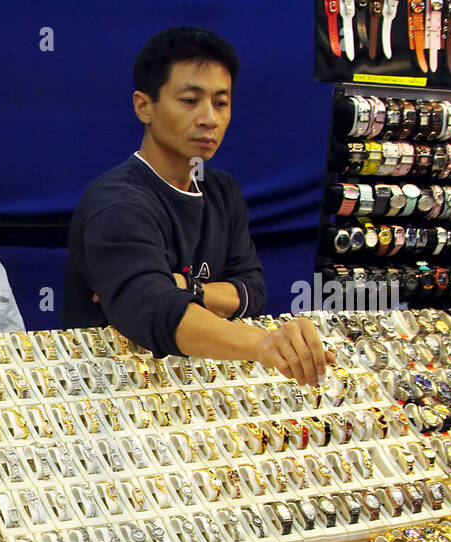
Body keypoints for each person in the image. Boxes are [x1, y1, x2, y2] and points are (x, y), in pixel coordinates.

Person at [62, 27, 333, 388]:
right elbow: (155, 309)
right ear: (144, 106)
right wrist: (263, 342)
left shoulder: (222, 191)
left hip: (198, 391)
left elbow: (251, 293)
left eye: (221, 103)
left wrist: (186, 287)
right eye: (190, 101)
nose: (209, 118)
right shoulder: (118, 203)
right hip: (111, 395)